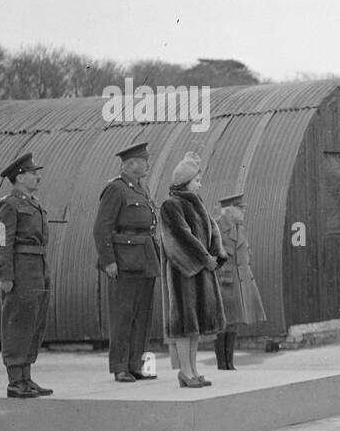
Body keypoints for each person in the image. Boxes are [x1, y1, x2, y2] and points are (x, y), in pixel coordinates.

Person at [93, 141, 161, 383]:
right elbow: (102, 228)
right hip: (124, 260)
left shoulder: (142, 189)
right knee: (123, 315)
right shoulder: (116, 189)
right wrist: (108, 261)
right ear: (130, 164)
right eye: (144, 161)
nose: (148, 164)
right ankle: (120, 367)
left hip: (145, 259)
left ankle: (136, 365)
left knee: (142, 315)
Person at [159, 152, 227, 388]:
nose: (200, 184)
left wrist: (216, 256)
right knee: (184, 325)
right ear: (185, 182)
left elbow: (213, 231)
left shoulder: (197, 205)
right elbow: (180, 237)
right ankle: (185, 372)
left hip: (201, 273)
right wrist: (204, 259)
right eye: (197, 180)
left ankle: (194, 370)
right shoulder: (171, 205)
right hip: (183, 273)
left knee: (195, 326)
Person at [0, 153, 52, 398]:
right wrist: (6, 274)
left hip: (38, 266)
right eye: (32, 173)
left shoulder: (33, 203)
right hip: (20, 268)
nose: (37, 177)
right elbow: (0, 242)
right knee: (17, 322)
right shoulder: (9, 204)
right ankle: (15, 381)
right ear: (19, 177)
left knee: (34, 322)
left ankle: (26, 377)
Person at [213, 192, 267, 369]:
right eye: (240, 209)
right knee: (224, 323)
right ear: (229, 211)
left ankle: (230, 363)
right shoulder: (217, 227)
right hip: (225, 280)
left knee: (235, 322)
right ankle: (222, 364)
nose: (243, 211)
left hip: (240, 280)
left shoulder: (238, 227)